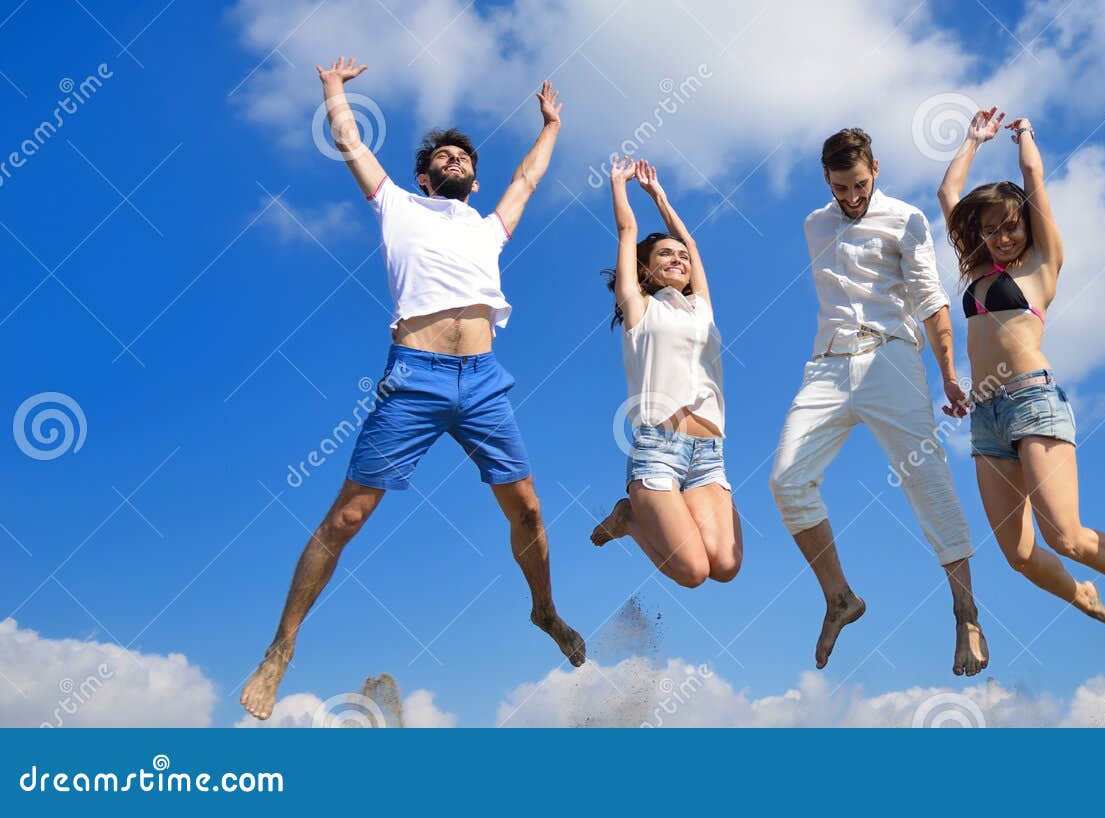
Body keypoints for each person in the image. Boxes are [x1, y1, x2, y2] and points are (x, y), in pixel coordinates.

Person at [240, 58, 586, 721]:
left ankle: (544, 609)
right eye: (443, 158)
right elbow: (349, 141)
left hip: (483, 381)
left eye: (464, 158)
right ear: (426, 177)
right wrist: (333, 89)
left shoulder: (488, 227)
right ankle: (281, 647)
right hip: (414, 378)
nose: (455, 161)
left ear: (474, 179)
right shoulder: (396, 205)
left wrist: (551, 125)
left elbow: (528, 178)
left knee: (529, 511)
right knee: (348, 515)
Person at [938, 108, 1105, 635]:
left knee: (1065, 536)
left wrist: (1023, 133)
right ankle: (1080, 594)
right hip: (985, 418)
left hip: (1033, 401)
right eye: (990, 230)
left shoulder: (1041, 263)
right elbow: (948, 193)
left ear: (1026, 222)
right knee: (1019, 555)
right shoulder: (978, 270)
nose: (1002, 237)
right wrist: (973, 140)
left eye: (1010, 226)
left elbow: (1033, 176)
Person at [769, 128, 988, 677]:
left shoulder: (905, 218)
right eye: (841, 187)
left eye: (860, 185)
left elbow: (930, 297)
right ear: (826, 179)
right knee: (787, 481)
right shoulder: (814, 224)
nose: (852, 197)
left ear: (876, 170)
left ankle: (966, 613)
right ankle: (840, 598)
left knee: (926, 478)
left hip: (889, 357)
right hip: (827, 364)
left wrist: (949, 375)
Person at [589, 158, 743, 588]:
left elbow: (691, 242)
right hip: (658, 449)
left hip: (709, 454)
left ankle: (642, 517)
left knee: (726, 567)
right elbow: (627, 231)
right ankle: (628, 520)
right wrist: (619, 185)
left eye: (682, 258)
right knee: (693, 573)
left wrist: (660, 197)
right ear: (646, 269)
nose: (678, 259)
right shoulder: (639, 308)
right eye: (665, 255)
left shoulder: (702, 309)